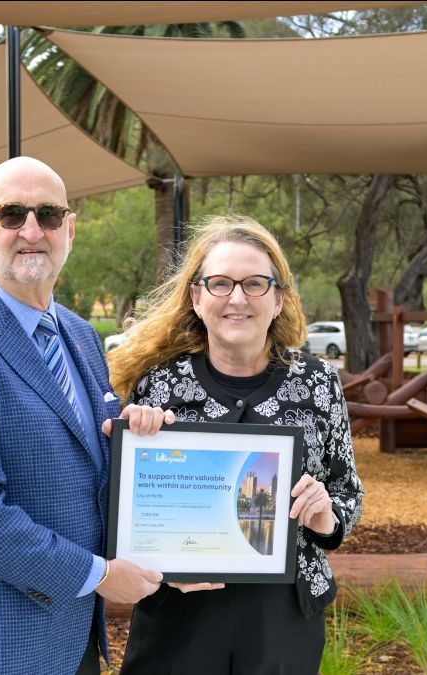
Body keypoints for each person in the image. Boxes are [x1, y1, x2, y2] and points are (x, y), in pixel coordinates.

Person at [0, 156, 169, 675]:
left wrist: (138, 438)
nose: (31, 231)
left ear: (69, 229)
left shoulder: (80, 335)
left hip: (73, 638)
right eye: (10, 214)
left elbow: (89, 467)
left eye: (48, 214)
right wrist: (99, 576)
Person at [107, 214, 364, 675]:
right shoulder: (158, 384)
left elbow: (347, 490)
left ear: (279, 298)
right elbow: (123, 504)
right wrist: (134, 436)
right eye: (221, 283)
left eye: (255, 284)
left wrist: (326, 516)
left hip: (282, 613)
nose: (238, 298)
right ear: (197, 297)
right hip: (178, 610)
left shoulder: (318, 382)